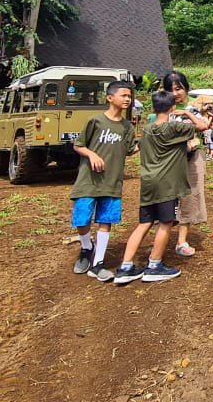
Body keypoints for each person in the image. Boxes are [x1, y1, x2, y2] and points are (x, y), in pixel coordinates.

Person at [113, 90, 207, 284]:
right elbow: (202, 125)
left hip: (148, 183)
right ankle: (154, 265)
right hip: (167, 185)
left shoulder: (147, 129)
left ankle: (126, 266)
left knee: (144, 223)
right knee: (165, 224)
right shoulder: (174, 128)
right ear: (173, 108)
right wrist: (187, 114)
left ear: (153, 108)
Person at [69, 81, 138, 283]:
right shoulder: (95, 121)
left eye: (129, 96)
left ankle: (97, 263)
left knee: (106, 221)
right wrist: (91, 155)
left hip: (112, 181)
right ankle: (86, 247)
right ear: (110, 98)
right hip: (88, 180)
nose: (127, 99)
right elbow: (78, 145)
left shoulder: (127, 127)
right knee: (81, 219)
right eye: (123, 95)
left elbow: (129, 150)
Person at [163, 71, 213, 258]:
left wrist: (184, 113)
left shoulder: (197, 103)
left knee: (191, 193)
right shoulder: (164, 106)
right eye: (170, 89)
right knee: (168, 195)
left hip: (193, 154)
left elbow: (204, 125)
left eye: (179, 88)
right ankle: (164, 235)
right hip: (169, 156)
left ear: (186, 88)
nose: (175, 93)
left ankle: (181, 241)